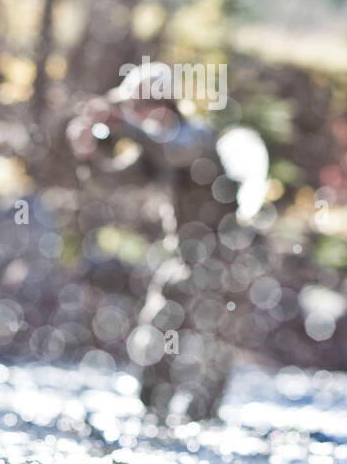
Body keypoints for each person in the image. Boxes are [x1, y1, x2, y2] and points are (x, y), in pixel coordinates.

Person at [67, 61, 269, 422]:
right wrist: (91, 153)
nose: (130, 115)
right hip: (187, 264)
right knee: (157, 346)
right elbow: (112, 180)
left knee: (210, 361)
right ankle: (157, 423)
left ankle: (197, 433)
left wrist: (122, 125)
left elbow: (170, 149)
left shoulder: (197, 136)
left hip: (225, 265)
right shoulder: (156, 148)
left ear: (158, 105)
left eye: (134, 107)